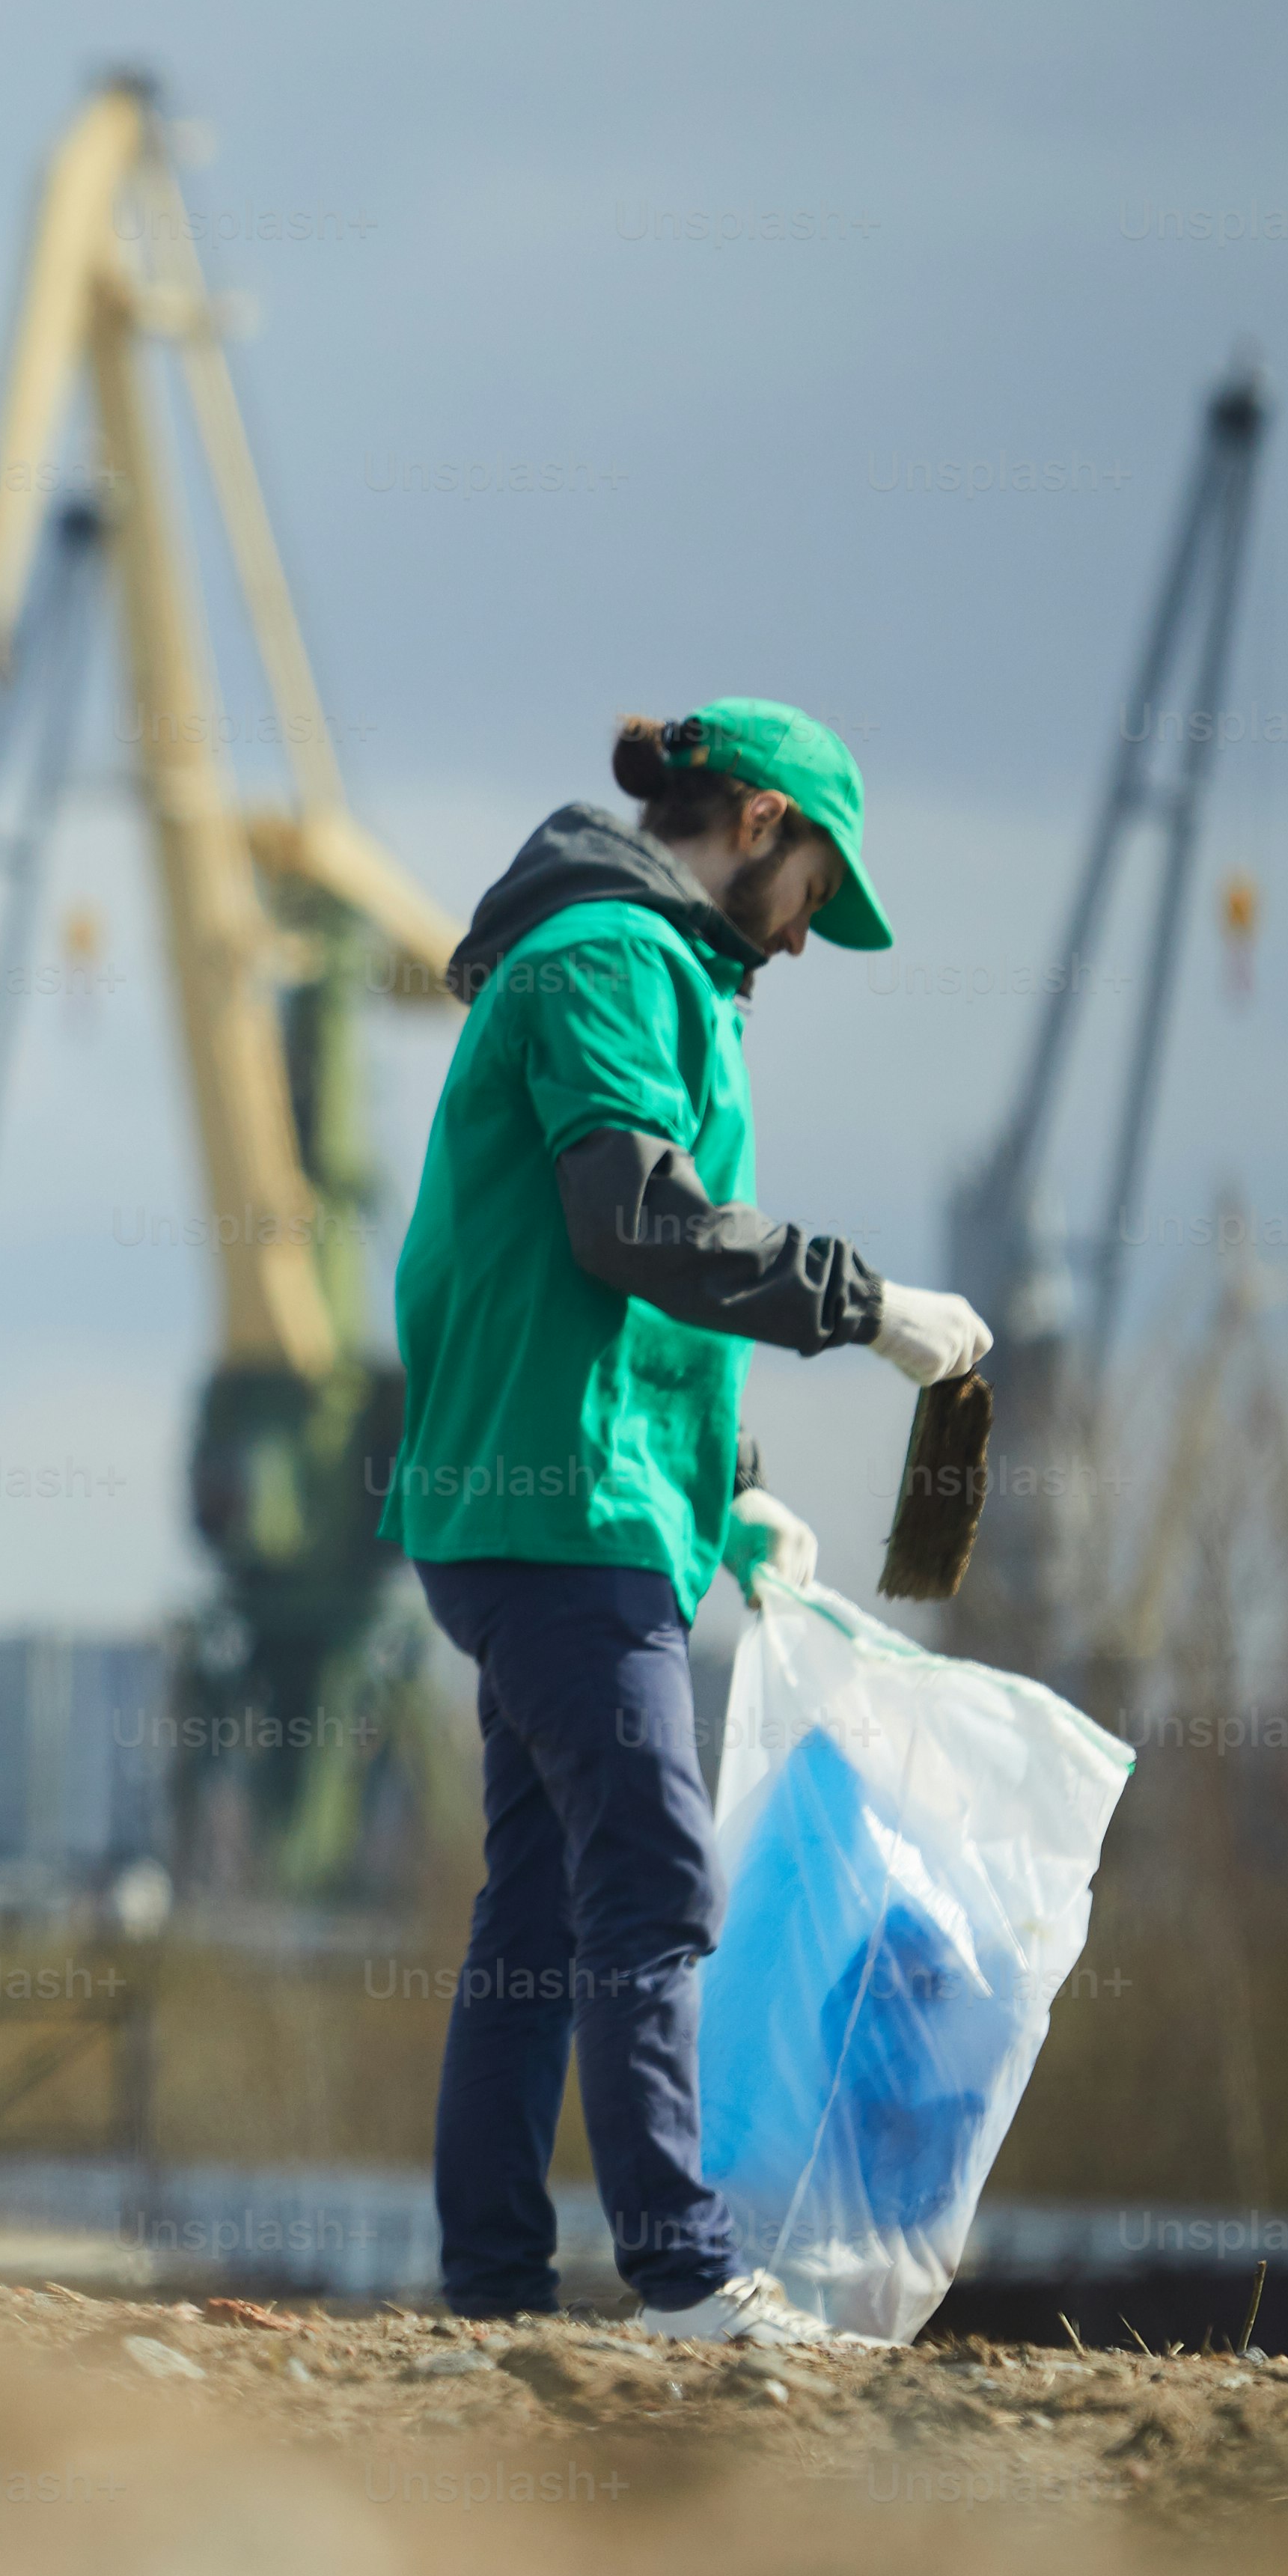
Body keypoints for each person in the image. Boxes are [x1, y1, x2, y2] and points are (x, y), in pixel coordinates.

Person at [379, 701, 992, 2346]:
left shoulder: (659, 974)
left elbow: (649, 1294)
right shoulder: (606, 958)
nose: (807, 937)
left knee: (537, 1914)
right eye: (816, 892)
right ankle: (687, 2275)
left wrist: (736, 1490)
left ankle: (499, 2293)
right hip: (558, 1505)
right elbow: (637, 1224)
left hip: (579, 1498)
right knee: (649, 1874)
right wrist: (869, 1305)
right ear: (766, 823)